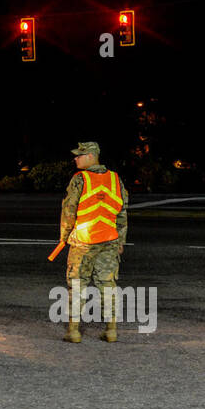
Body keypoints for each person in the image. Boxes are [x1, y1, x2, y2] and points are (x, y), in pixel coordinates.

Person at [59, 142, 128, 343]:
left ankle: (73, 331)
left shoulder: (80, 179)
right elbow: (122, 213)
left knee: (78, 284)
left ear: (91, 156)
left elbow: (69, 210)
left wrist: (64, 236)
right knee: (108, 285)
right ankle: (111, 331)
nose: (76, 159)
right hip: (109, 240)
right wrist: (121, 240)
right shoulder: (115, 179)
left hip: (83, 242)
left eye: (79, 155)